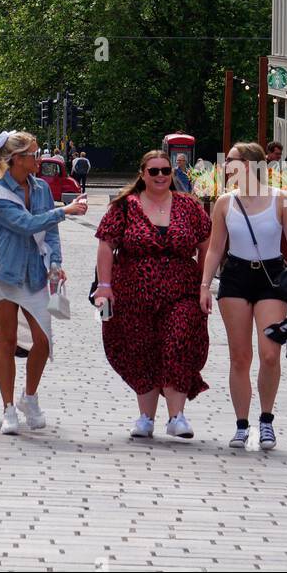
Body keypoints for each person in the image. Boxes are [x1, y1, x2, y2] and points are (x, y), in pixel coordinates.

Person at [199, 141, 287, 450]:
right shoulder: (224, 203)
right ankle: (241, 425)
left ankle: (266, 420)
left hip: (271, 277)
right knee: (240, 356)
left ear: (251, 166)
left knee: (270, 354)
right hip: (236, 276)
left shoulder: (283, 200)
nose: (226, 166)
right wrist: (203, 285)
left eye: (231, 161)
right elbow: (216, 247)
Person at [0, 131, 88, 435]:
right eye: (34, 154)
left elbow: (49, 233)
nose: (39, 159)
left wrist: (56, 264)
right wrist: (64, 211)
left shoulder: (40, 189)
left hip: (36, 274)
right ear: (17, 159)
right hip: (5, 274)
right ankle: (9, 408)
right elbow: (25, 225)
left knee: (43, 340)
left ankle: (29, 397)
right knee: (7, 341)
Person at [94, 150, 211, 440]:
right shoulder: (124, 206)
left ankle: (177, 416)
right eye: (154, 171)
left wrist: (205, 284)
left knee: (179, 344)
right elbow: (106, 245)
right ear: (142, 174)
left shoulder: (189, 206)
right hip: (133, 293)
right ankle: (146, 417)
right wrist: (104, 286)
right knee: (140, 349)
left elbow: (208, 244)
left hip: (182, 291)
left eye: (165, 171)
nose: (160, 176)